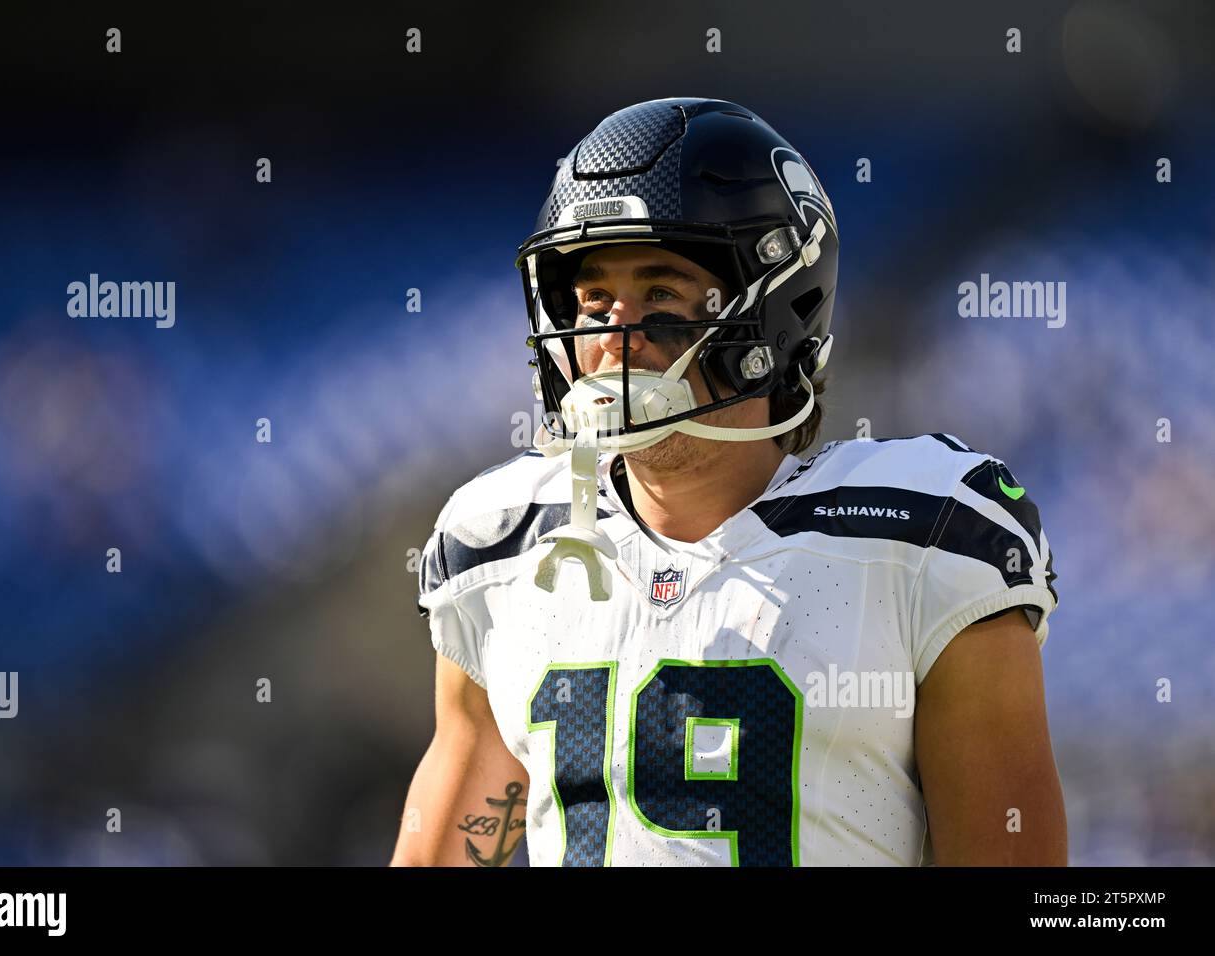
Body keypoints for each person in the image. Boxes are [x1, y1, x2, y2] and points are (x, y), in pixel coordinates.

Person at [391, 97, 1064, 866]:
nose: (615, 338)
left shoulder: (922, 538)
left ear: (776, 314)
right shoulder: (502, 546)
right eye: (592, 301)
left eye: (663, 297)